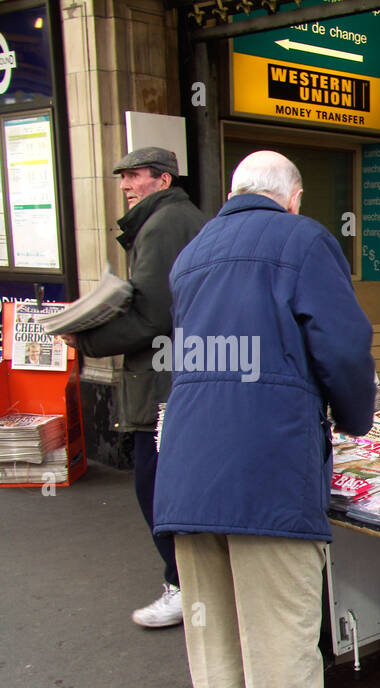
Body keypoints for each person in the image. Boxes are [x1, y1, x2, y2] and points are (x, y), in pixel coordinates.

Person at [153, 151, 375, 688]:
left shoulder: (191, 254)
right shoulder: (303, 240)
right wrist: (356, 418)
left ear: (234, 193)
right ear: (293, 197)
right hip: (266, 465)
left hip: (189, 464)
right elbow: (341, 344)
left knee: (212, 625)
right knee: (279, 627)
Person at [67, 147, 205, 628]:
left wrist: (86, 337)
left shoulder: (165, 224)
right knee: (169, 485)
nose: (126, 185)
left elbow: (154, 312)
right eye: (122, 177)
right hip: (178, 376)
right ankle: (190, 585)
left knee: (156, 488)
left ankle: (184, 587)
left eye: (135, 176)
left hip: (163, 384)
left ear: (163, 180)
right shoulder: (172, 219)